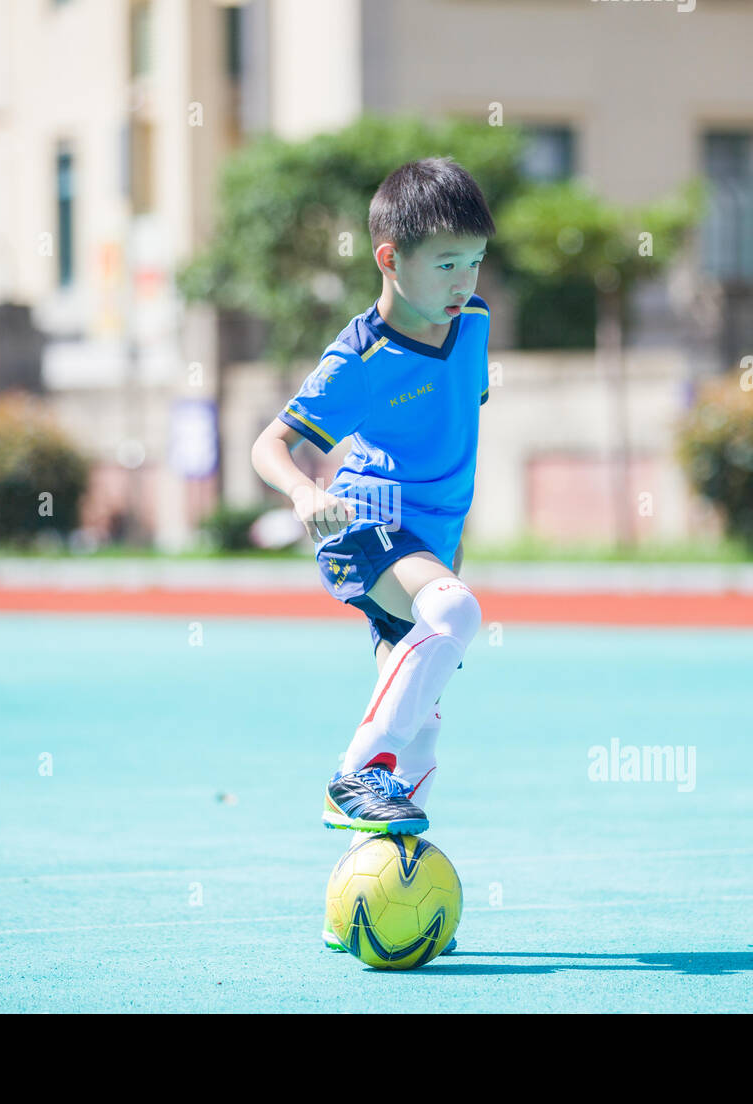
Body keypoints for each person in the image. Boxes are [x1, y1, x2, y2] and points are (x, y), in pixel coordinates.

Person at [250, 157, 493, 947]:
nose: (465, 280)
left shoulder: (475, 325)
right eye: (447, 263)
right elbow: (270, 444)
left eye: (475, 260)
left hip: (429, 540)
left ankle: (357, 902)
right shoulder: (357, 359)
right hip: (364, 526)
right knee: (453, 612)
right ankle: (357, 774)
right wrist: (301, 493)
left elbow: (453, 440)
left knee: (422, 728)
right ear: (390, 259)